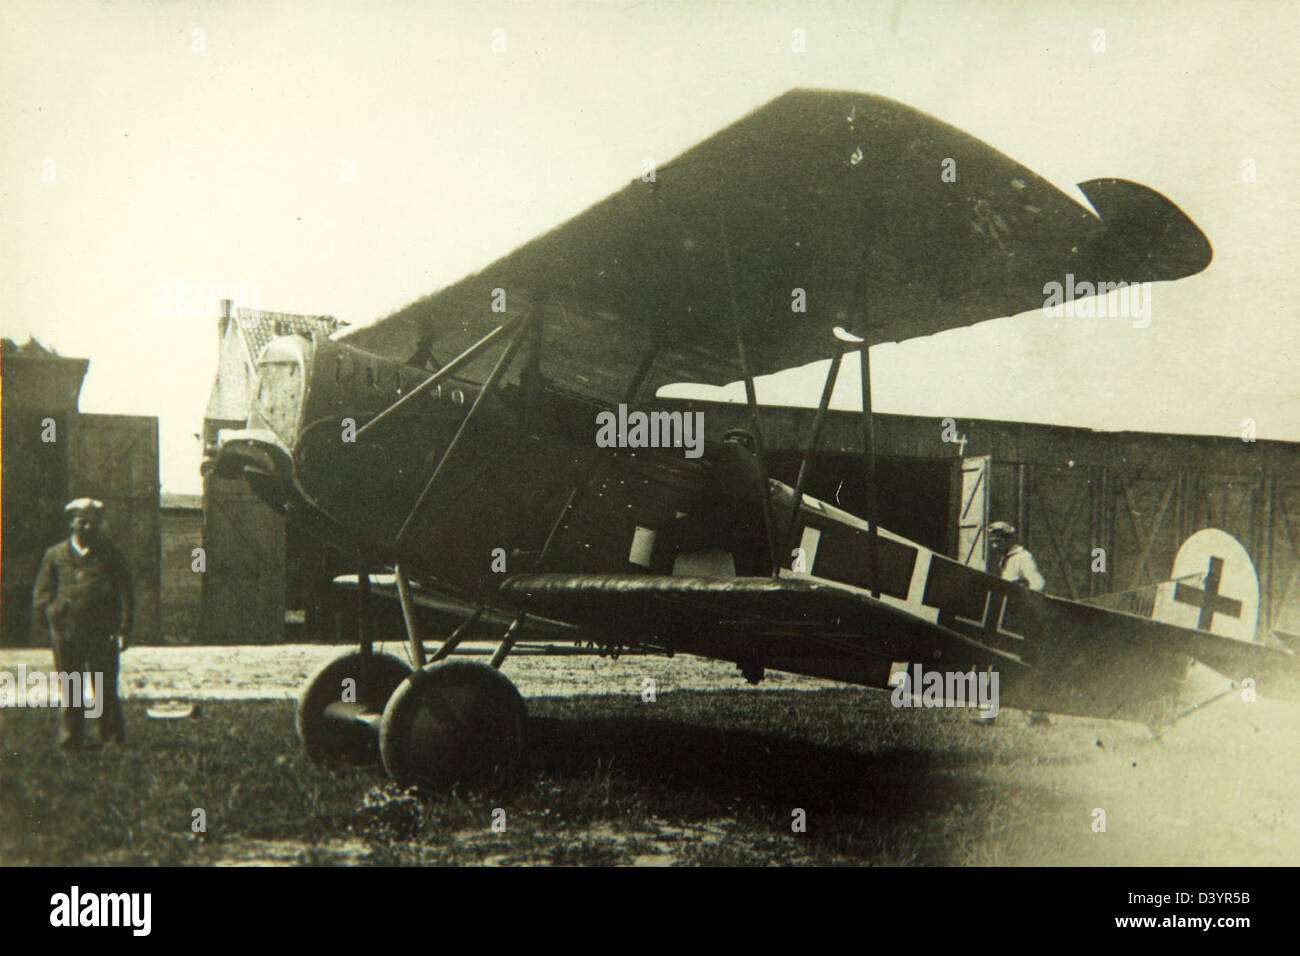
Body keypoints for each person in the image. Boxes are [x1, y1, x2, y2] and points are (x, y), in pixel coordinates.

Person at [31, 498, 133, 748]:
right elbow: (42, 593)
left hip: (101, 632)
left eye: (93, 522)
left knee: (104, 688)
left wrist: (123, 628)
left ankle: (109, 737)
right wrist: (52, 616)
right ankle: (72, 737)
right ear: (71, 523)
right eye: (82, 521)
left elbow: (126, 593)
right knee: (71, 686)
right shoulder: (55, 555)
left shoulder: (111, 554)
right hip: (67, 633)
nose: (88, 527)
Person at [987, 521, 1045, 591]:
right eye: (992, 542)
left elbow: (1038, 583)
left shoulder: (1022, 556)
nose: (994, 546)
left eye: (998, 541)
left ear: (1009, 540)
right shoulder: (1005, 558)